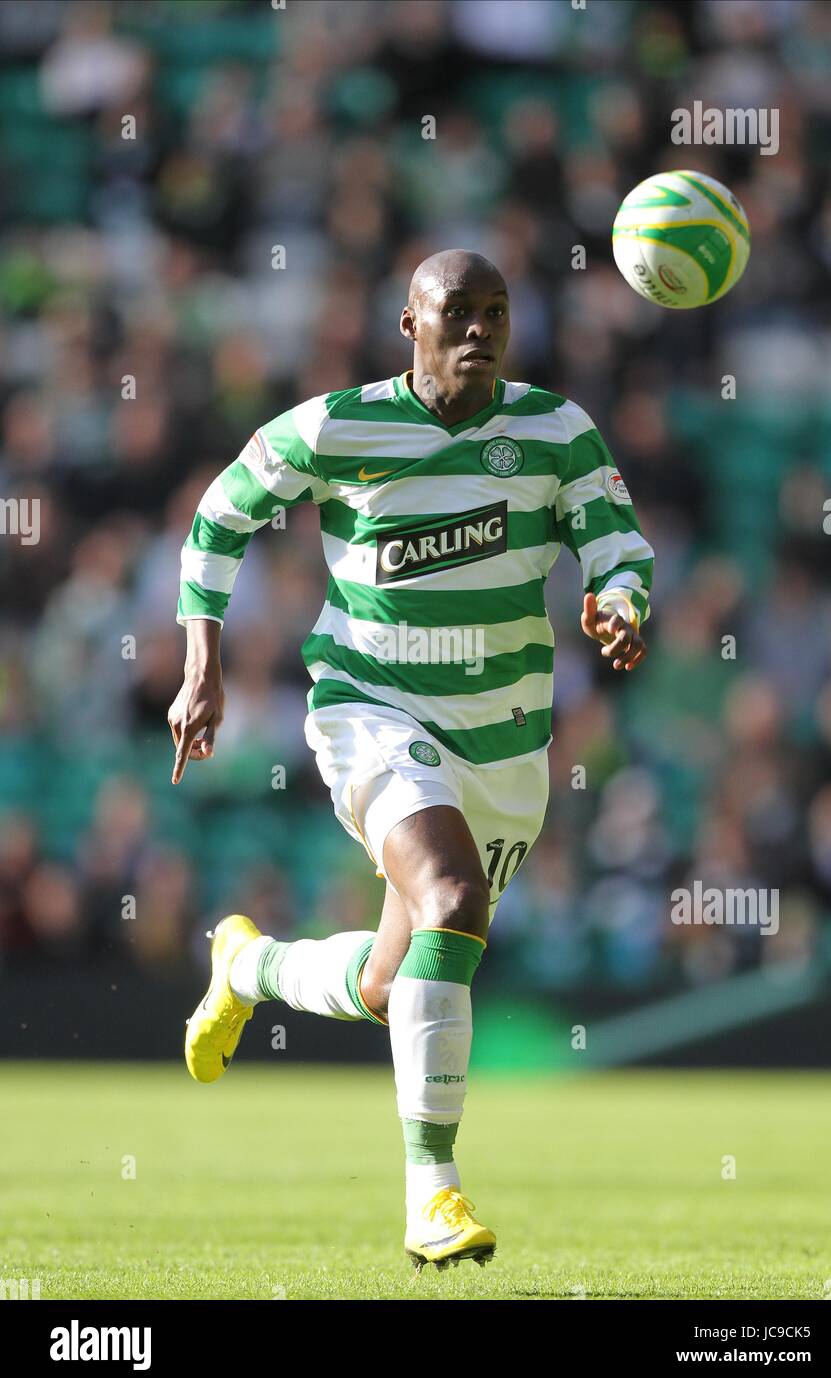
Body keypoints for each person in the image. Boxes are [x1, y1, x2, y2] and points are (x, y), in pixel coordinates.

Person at [168, 249, 653, 1271]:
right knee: (451, 897)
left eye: (497, 312)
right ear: (409, 324)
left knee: (398, 984)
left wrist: (620, 602)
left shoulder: (556, 431)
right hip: (371, 708)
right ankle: (432, 1193)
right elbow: (218, 515)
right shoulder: (336, 425)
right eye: (457, 311)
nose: (479, 329)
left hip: (506, 744)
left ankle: (247, 966)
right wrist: (202, 659)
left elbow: (619, 545)